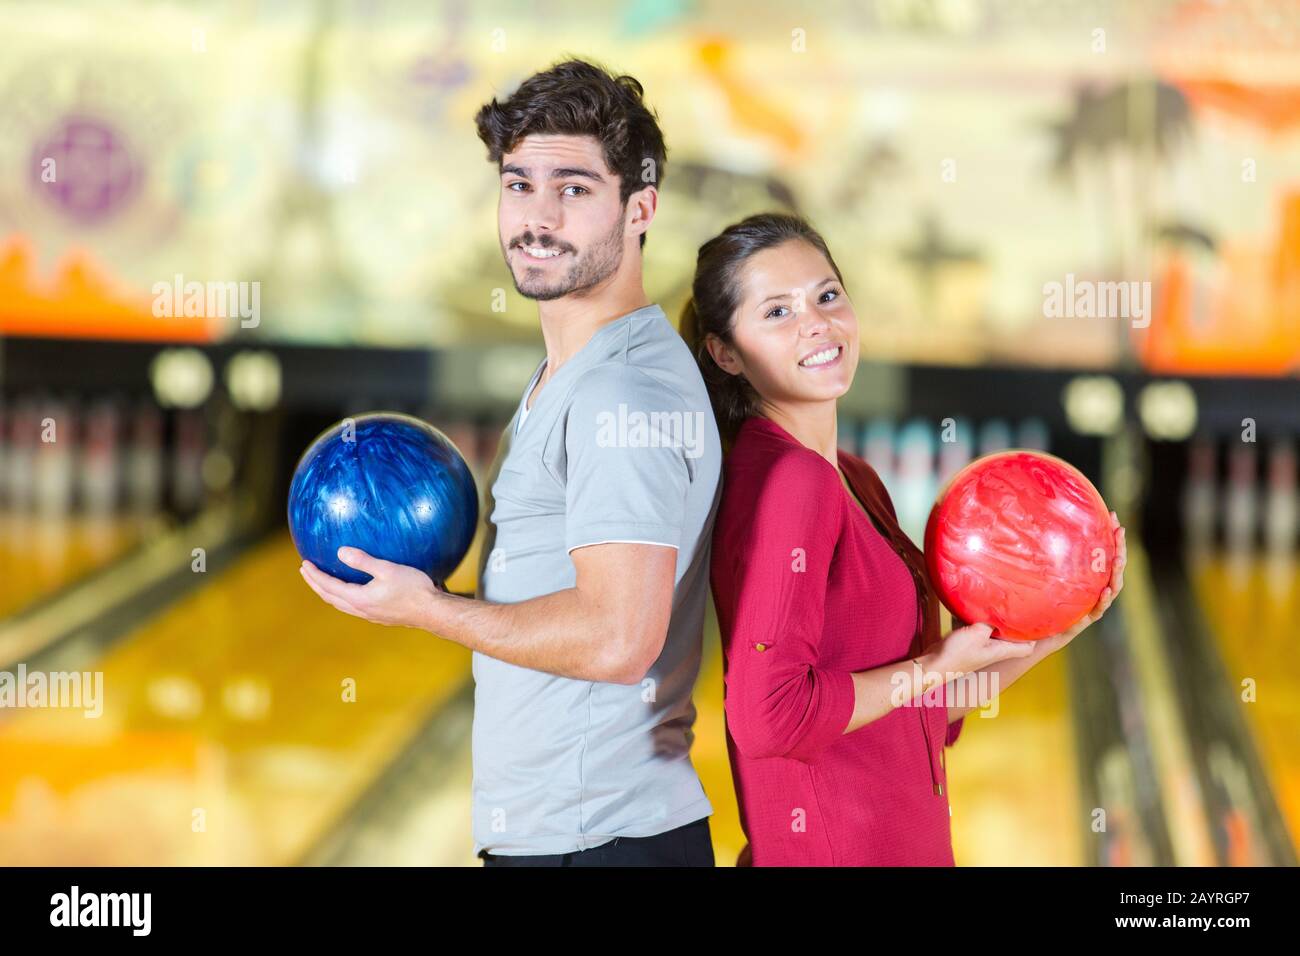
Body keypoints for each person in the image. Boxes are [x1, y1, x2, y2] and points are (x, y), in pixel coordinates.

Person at [300, 59, 721, 866]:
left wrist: (428, 609)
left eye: (573, 188)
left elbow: (616, 639)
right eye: (518, 184)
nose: (537, 216)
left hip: (598, 841)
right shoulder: (577, 372)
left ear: (641, 208)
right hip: (581, 835)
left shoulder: (620, 394)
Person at [679, 212, 1126, 866]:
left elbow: (923, 713)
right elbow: (768, 716)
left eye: (827, 295)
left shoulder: (852, 477)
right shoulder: (793, 481)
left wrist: (1052, 632)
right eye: (777, 312)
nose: (817, 323)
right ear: (725, 352)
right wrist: (936, 666)